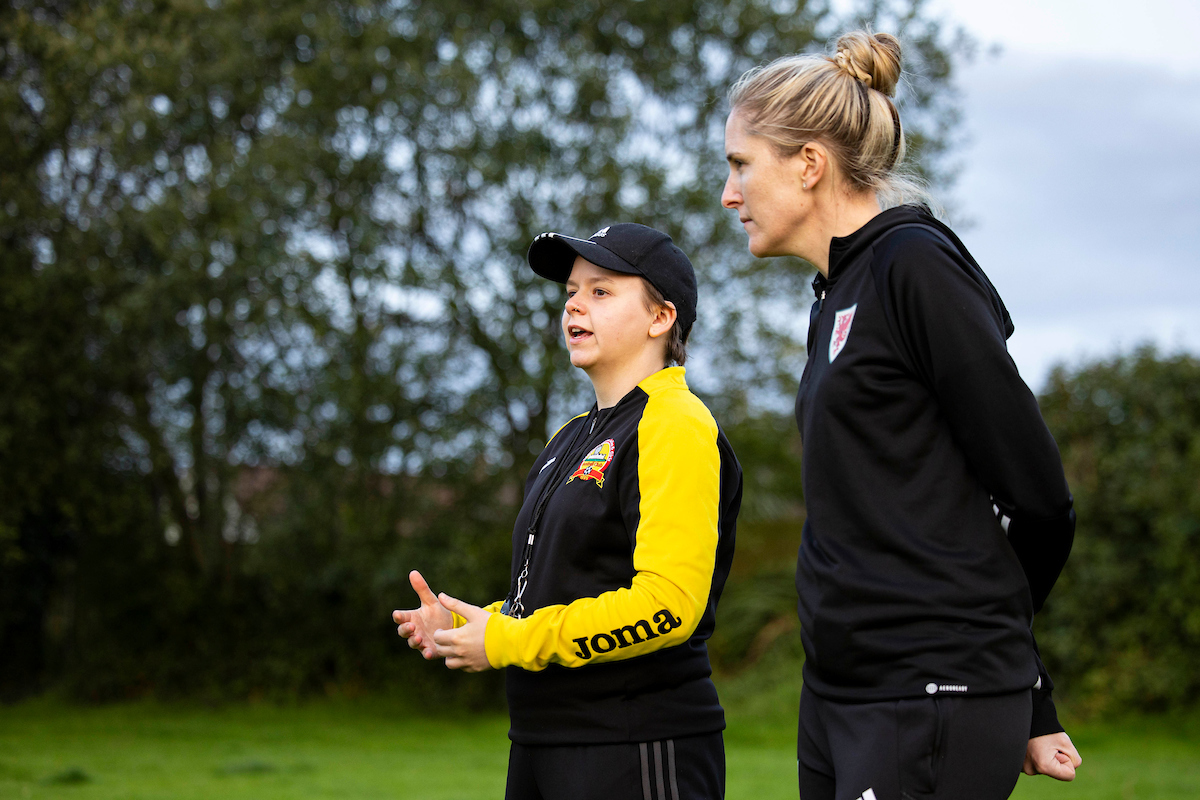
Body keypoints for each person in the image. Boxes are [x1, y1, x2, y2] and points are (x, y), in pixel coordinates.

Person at [720, 30, 1082, 800]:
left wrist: (1011, 676)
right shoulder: (835, 296)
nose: (729, 194)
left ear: (809, 164)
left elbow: (1038, 502)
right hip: (839, 694)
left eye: (740, 165)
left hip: (927, 694)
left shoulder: (913, 266)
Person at [393, 223, 743, 800]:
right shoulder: (570, 436)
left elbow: (669, 606)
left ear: (661, 318)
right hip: (541, 742)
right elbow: (555, 591)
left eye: (601, 291)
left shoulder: (674, 423)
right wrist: (468, 626)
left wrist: (508, 641)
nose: (575, 304)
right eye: (571, 293)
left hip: (635, 745)